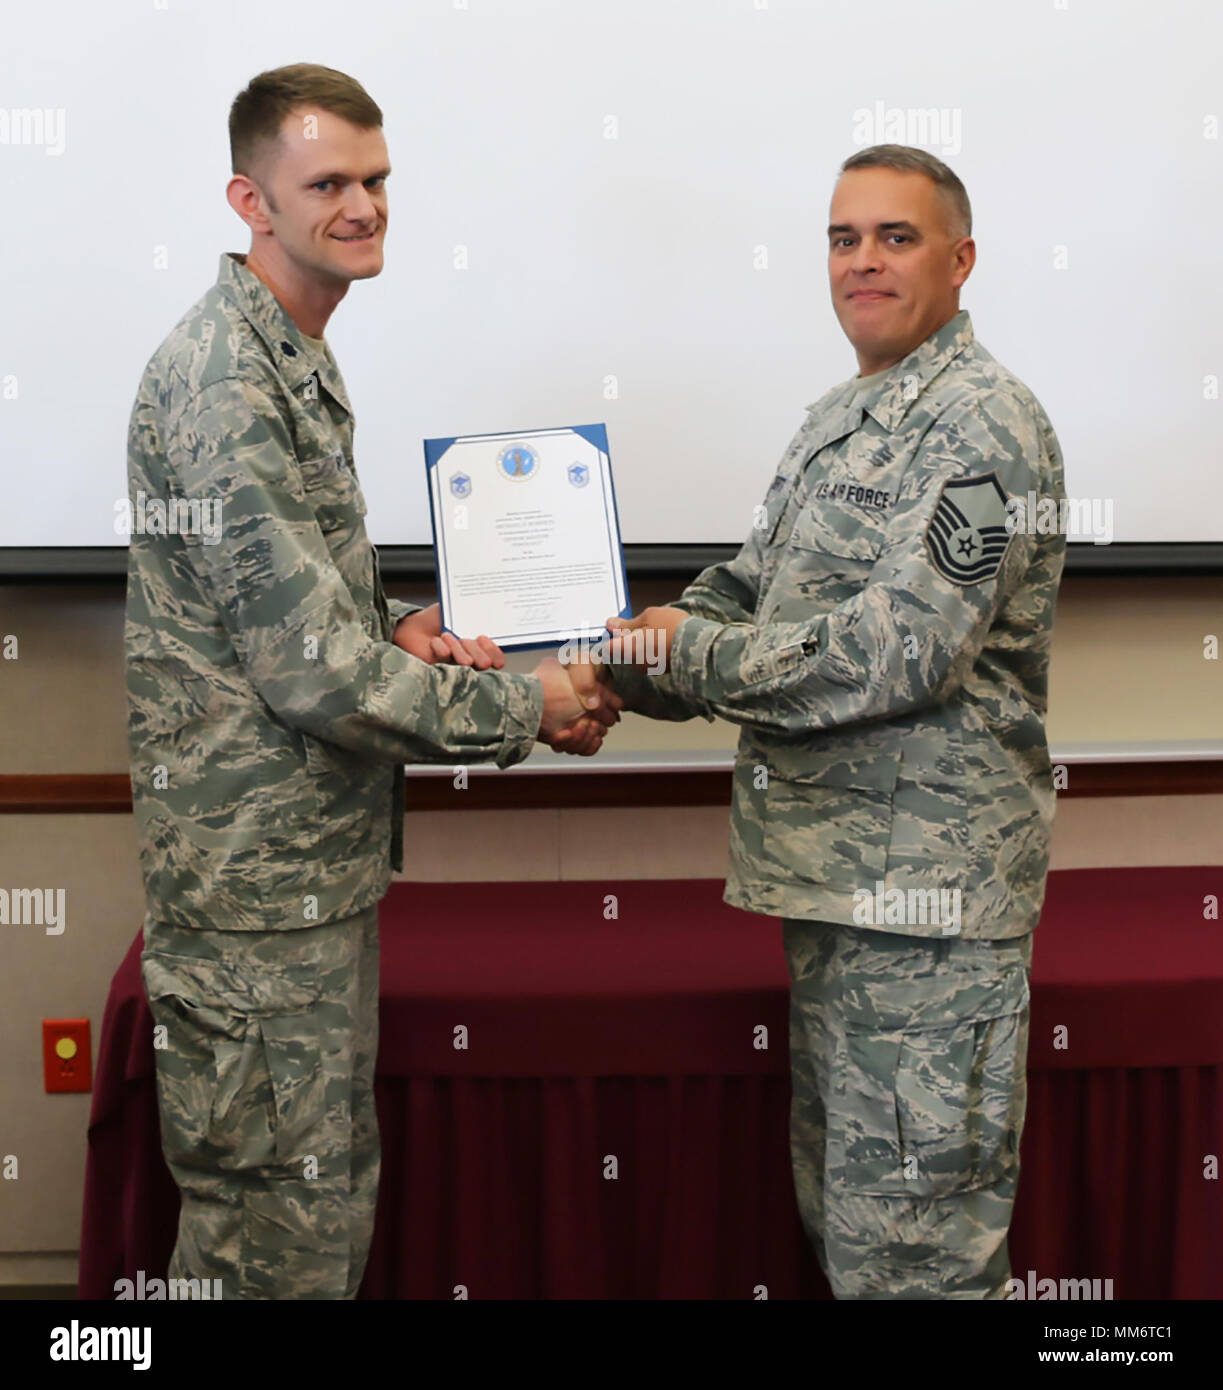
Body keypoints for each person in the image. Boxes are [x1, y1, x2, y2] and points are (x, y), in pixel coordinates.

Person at [124, 63, 621, 1300]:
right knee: (270, 1256)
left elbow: (300, 601)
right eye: (328, 183)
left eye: (377, 179)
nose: (363, 205)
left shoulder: (287, 351)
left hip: (302, 879)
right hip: (253, 900)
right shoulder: (227, 380)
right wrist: (528, 702)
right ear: (251, 200)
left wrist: (396, 624)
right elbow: (307, 676)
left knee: (318, 1222)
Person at [576, 145, 1066, 1298]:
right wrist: (620, 655)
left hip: (924, 917)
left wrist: (685, 654)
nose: (862, 261)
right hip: (841, 896)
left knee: (916, 1263)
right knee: (855, 1239)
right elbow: (751, 594)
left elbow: (901, 647)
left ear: (960, 260)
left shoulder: (980, 424)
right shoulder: (840, 419)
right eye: (843, 238)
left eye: (894, 237)